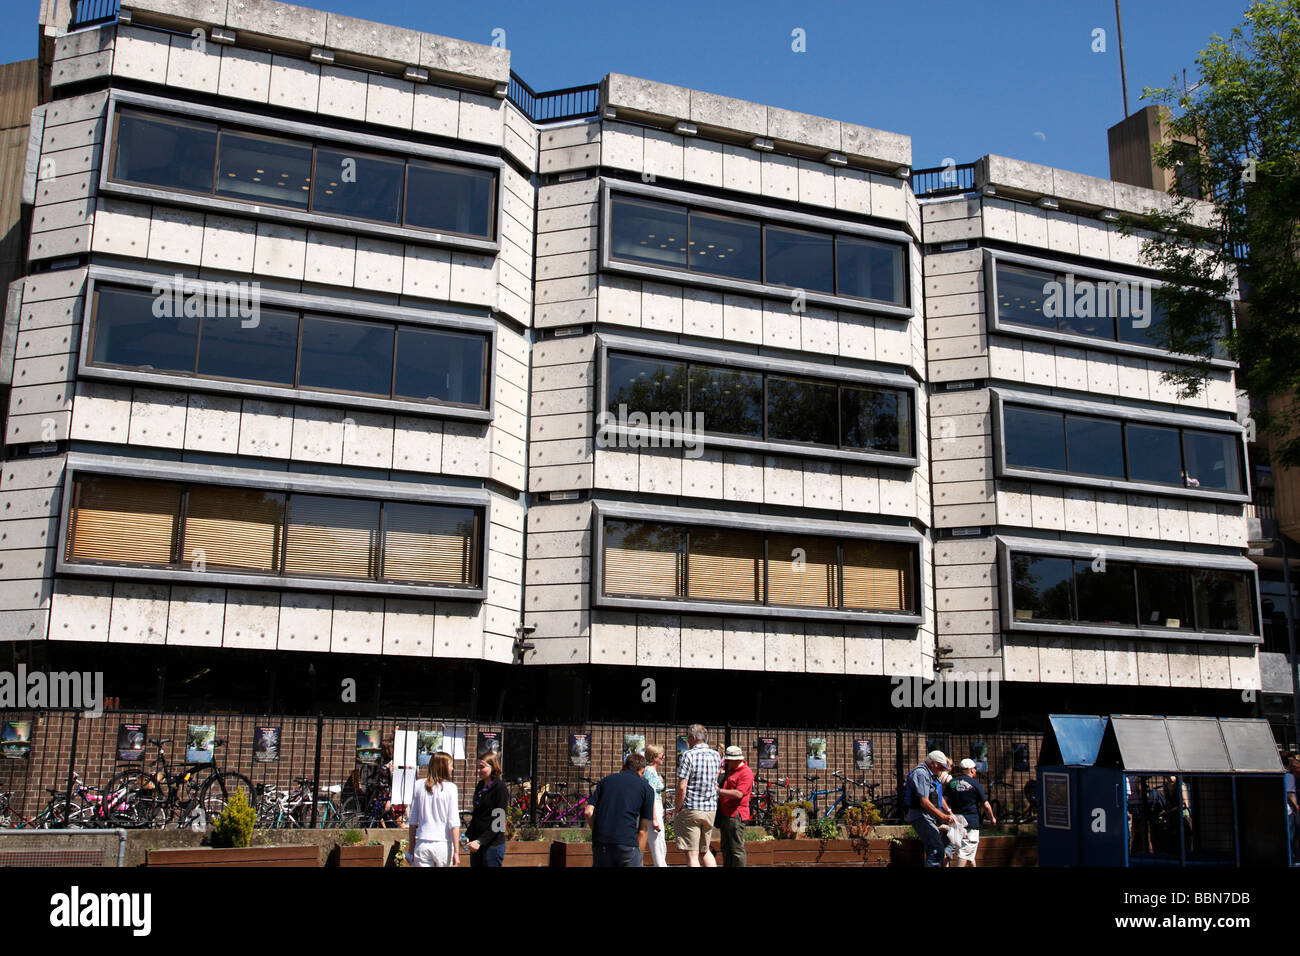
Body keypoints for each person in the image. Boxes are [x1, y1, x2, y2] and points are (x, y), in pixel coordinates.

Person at [584, 752, 655, 867]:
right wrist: (639, 857)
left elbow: (588, 812)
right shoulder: (647, 789)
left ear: (624, 766)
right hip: (627, 843)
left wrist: (597, 832)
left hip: (602, 842)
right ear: (643, 770)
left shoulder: (605, 781)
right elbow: (643, 829)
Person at [674, 723, 723, 868]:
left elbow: (682, 786)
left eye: (688, 737)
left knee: (692, 854)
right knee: (705, 850)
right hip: (710, 809)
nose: (687, 741)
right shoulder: (716, 755)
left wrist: (678, 808)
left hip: (692, 808)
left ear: (693, 738)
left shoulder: (688, 755)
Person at [404, 751, 459, 867]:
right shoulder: (451, 788)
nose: (452, 769)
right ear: (443, 767)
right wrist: (457, 852)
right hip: (444, 844)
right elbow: (453, 822)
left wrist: (411, 849)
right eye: (450, 765)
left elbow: (413, 821)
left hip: (422, 842)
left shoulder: (418, 785)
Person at [904, 750, 957, 868]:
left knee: (938, 847)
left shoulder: (931, 774)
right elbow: (924, 802)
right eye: (941, 767)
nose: (942, 770)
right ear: (933, 763)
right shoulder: (921, 774)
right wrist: (942, 816)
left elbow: (938, 795)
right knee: (936, 850)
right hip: (920, 816)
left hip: (928, 816)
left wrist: (949, 812)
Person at [944, 758, 995, 867]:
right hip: (970, 823)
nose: (975, 771)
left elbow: (943, 800)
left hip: (956, 822)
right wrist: (992, 818)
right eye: (975, 769)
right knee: (965, 852)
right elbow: (985, 805)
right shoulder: (975, 784)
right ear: (971, 770)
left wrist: (948, 812)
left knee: (969, 853)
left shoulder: (951, 783)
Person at [465, 753, 509, 867]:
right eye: (478, 767)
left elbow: (498, 822)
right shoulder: (480, 786)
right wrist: (466, 835)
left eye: (482, 767)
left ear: (493, 767)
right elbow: (478, 815)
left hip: (492, 845)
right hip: (476, 843)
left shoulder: (500, 788)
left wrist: (480, 841)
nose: (479, 770)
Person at [717, 744, 753, 867]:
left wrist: (719, 791)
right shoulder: (731, 770)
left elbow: (738, 794)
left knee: (736, 849)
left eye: (729, 760)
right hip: (726, 814)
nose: (726, 762)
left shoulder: (745, 773)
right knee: (726, 848)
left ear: (737, 760)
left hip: (735, 815)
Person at [643, 744, 668, 867]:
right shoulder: (650, 772)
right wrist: (654, 818)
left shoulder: (651, 772)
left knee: (660, 842)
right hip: (654, 809)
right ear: (654, 757)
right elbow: (651, 796)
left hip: (657, 809)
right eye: (661, 755)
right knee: (657, 843)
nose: (664, 757)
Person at [1283, 752, 1298, 864]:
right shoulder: (1289, 775)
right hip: (1289, 812)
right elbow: (1289, 795)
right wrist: (1297, 808)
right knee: (1291, 837)